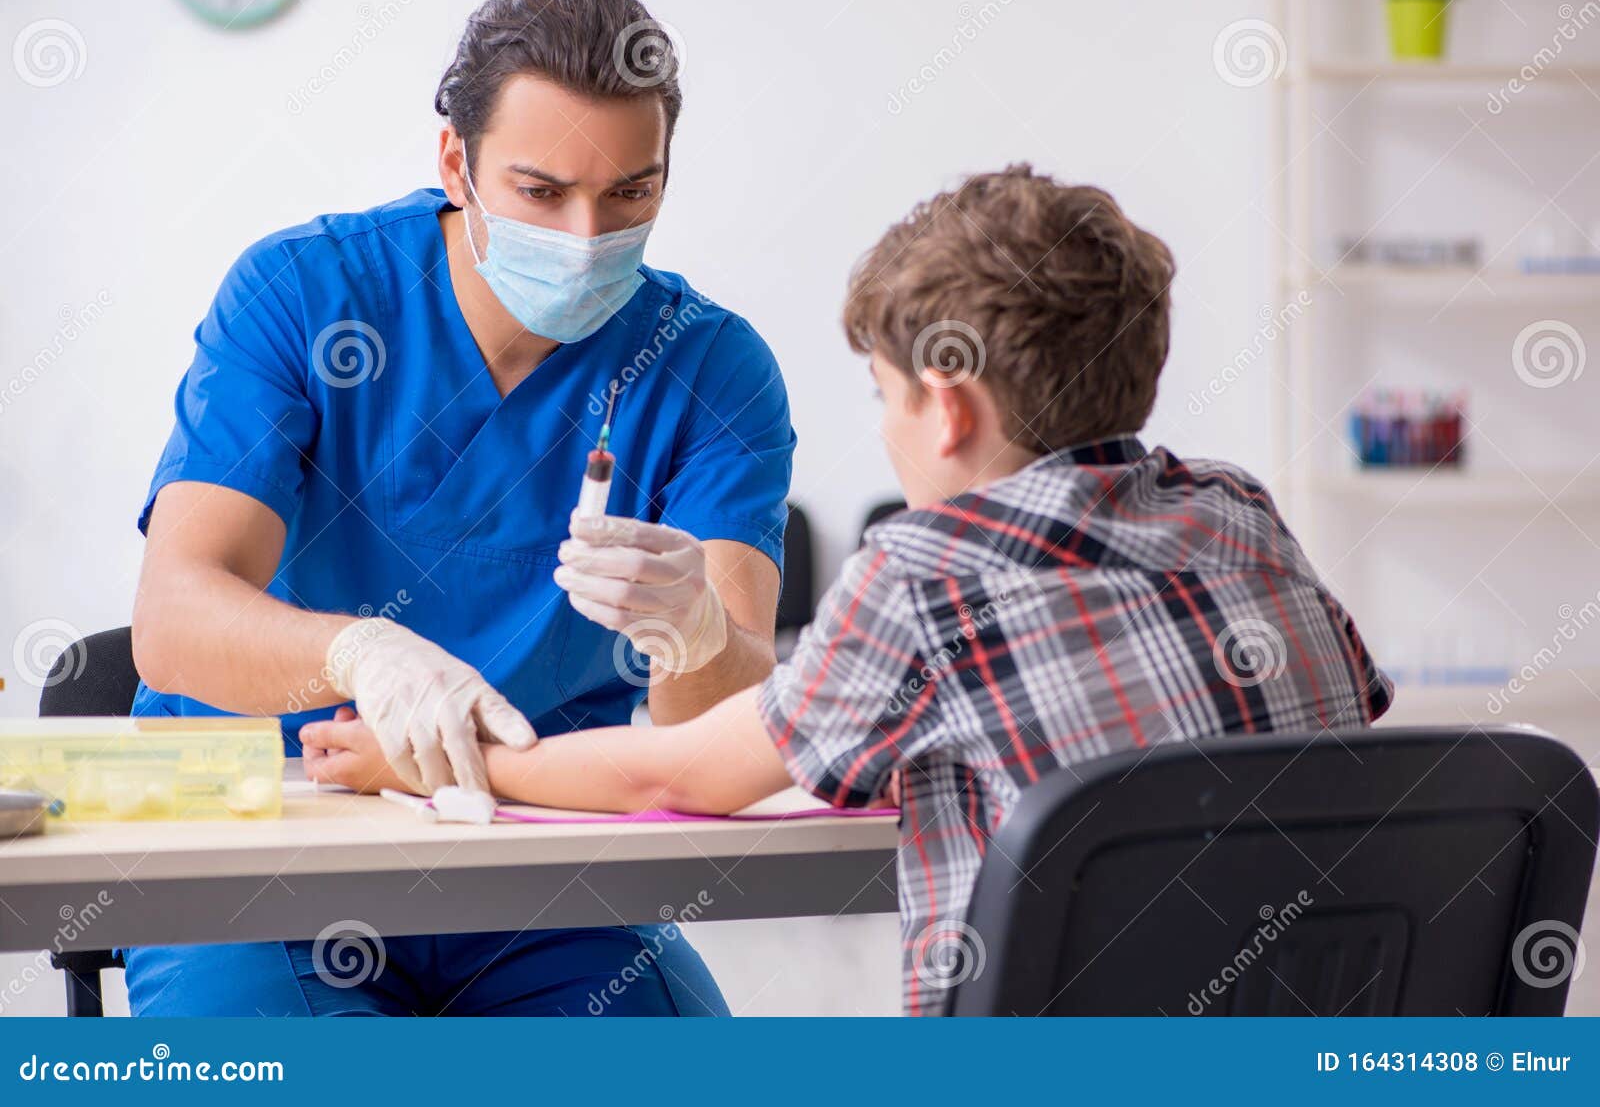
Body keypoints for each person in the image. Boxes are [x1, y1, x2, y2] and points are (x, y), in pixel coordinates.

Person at [305, 164, 1395, 1015]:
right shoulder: (1238, 513)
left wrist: (423, 755)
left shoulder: (922, 577)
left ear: (949, 408)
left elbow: (672, 772)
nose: (880, 428)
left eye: (882, 395)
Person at [124, 0, 794, 1016]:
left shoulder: (709, 367)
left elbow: (725, 738)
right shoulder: (306, 295)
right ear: (457, 162)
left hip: (538, 866)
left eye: (629, 195)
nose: (584, 240)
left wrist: (698, 636)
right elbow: (172, 621)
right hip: (263, 844)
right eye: (540, 192)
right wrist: (357, 651)